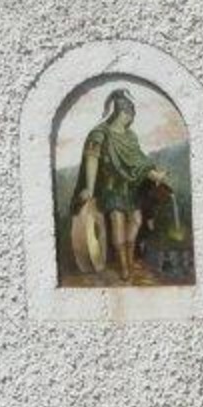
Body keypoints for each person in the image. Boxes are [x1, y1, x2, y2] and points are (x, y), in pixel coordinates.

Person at [73, 87, 172, 283]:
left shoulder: (130, 136)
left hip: (131, 188)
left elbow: (139, 161)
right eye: (130, 115)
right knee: (117, 223)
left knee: (136, 220)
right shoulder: (99, 134)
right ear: (122, 113)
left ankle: (129, 258)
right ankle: (124, 266)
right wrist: (90, 188)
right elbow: (92, 159)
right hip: (111, 187)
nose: (131, 119)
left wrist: (155, 175)